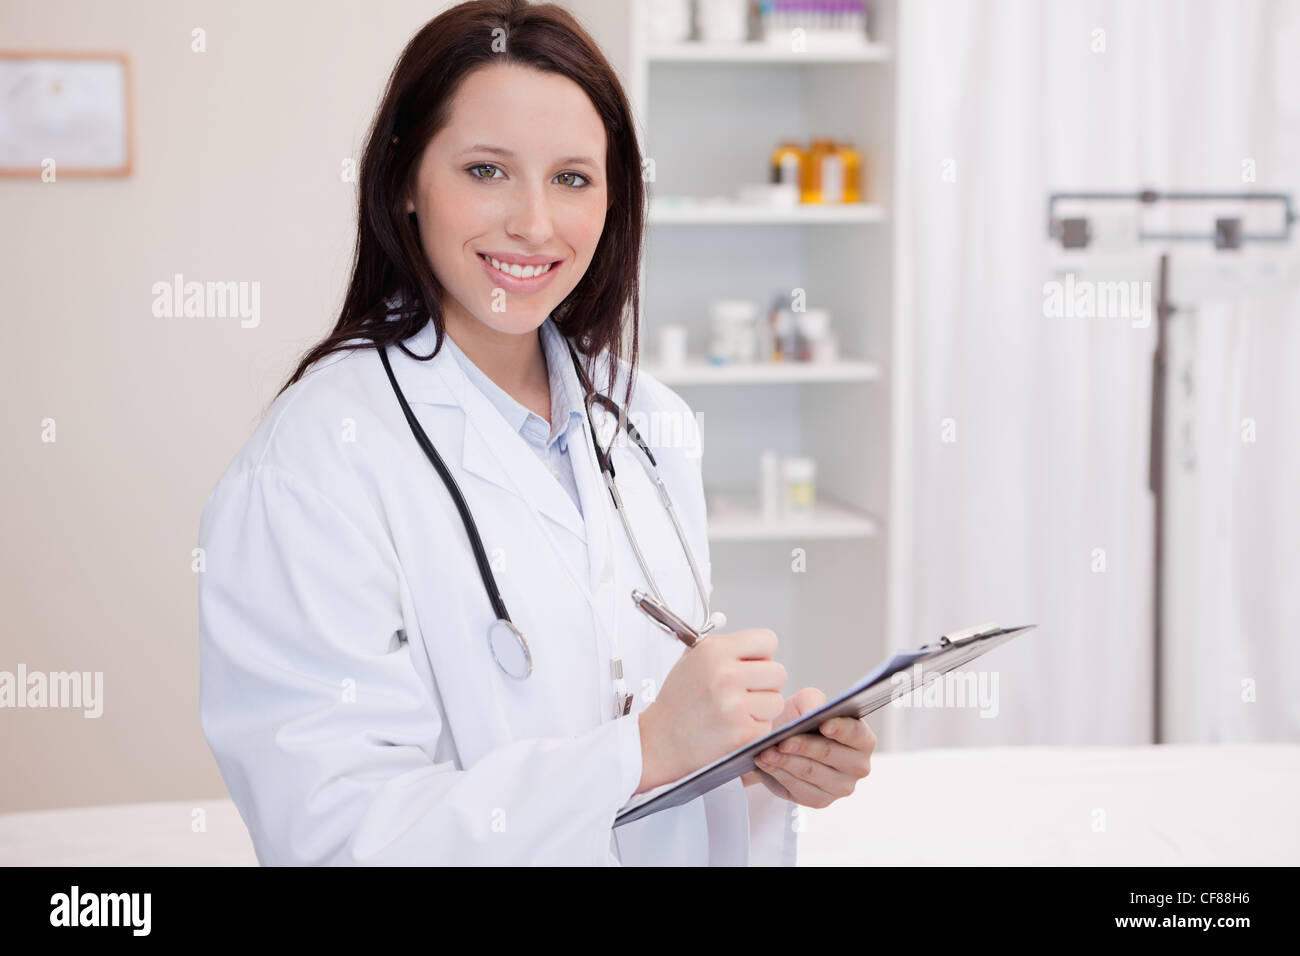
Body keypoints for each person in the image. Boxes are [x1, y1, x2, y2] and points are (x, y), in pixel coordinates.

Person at [197, 0, 875, 866]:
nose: (534, 223)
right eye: (486, 170)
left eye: (572, 178)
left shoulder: (649, 422)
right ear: (405, 179)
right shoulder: (312, 462)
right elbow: (334, 835)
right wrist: (645, 750)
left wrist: (747, 759)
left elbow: (636, 735)